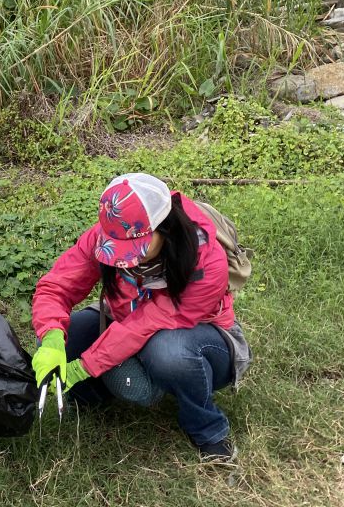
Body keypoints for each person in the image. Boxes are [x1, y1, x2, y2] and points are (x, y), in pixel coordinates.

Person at [31, 173, 251, 463]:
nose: (126, 260)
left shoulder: (206, 262)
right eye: (118, 249)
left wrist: (85, 366)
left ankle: (207, 429)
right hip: (126, 319)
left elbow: (148, 322)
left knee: (168, 353)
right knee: (63, 338)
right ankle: (90, 401)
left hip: (198, 338)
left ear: (166, 228)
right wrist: (51, 338)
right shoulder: (109, 233)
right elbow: (57, 286)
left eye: (137, 247)